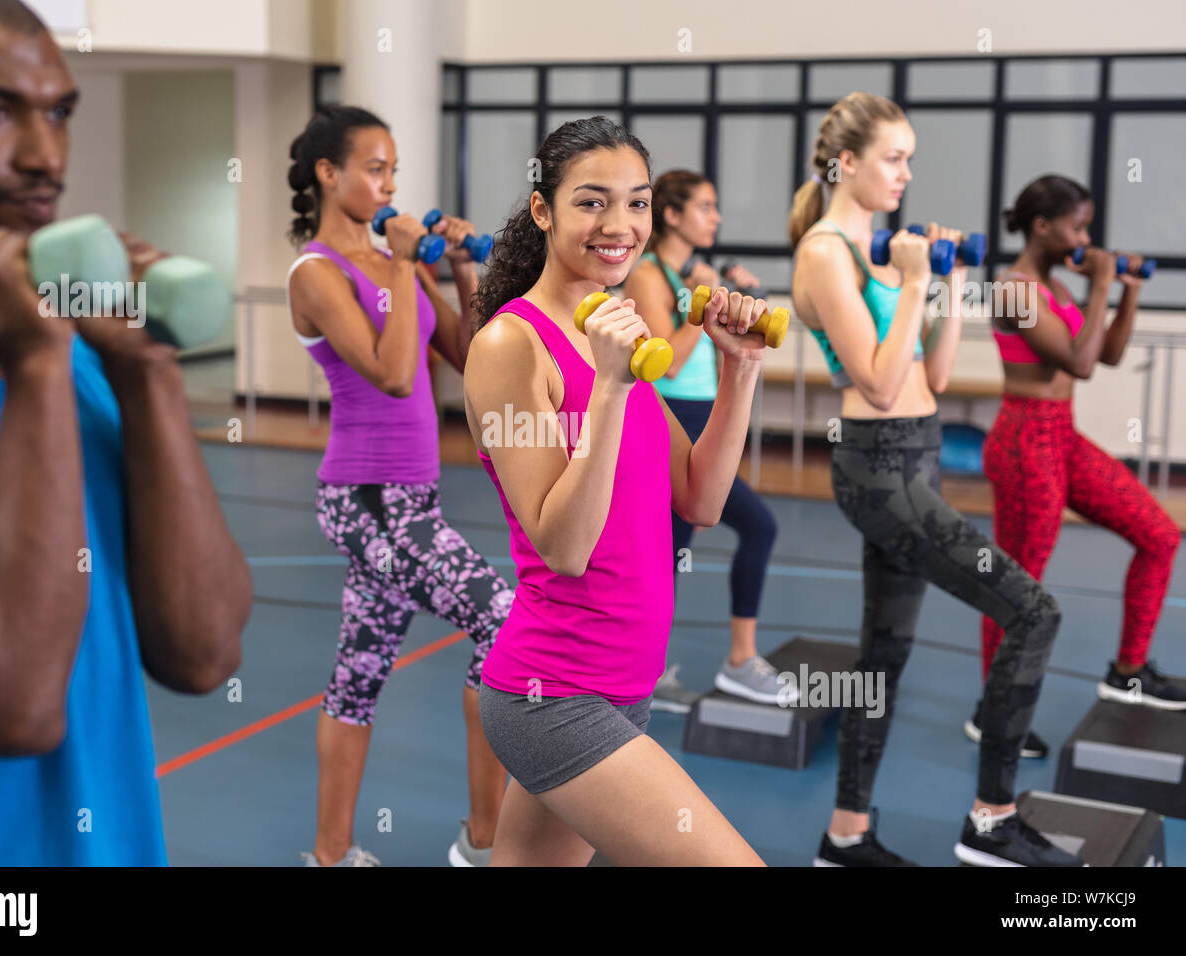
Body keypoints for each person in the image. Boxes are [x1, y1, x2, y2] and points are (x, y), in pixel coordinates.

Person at [0, 0, 251, 865]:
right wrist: (39, 367)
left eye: (58, 111)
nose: (45, 157)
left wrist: (144, 372)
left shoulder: (81, 355)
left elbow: (203, 652)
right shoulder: (37, 358)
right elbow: (9, 706)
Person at [463, 116, 768, 866]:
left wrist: (741, 370)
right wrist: (606, 385)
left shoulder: (613, 333)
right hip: (557, 692)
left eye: (636, 204)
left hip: (622, 685)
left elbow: (699, 499)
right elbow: (562, 546)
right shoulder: (513, 344)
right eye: (592, 202)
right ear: (544, 211)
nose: (619, 225)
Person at [788, 92, 1080, 867]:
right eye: (893, 157)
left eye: (910, 158)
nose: (906, 174)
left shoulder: (880, 251)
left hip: (917, 454)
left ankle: (845, 835)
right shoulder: (825, 253)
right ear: (845, 163)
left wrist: (944, 285)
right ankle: (992, 820)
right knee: (1034, 612)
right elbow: (879, 387)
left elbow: (935, 378)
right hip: (878, 468)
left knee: (882, 658)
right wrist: (914, 277)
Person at [285, 105, 514, 867]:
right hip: (367, 501)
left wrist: (457, 266)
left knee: (357, 677)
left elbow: (466, 353)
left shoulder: (397, 265)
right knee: (505, 622)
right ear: (330, 174)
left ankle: (330, 855)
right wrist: (400, 259)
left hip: (411, 499)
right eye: (375, 168)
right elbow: (388, 373)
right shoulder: (318, 273)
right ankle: (484, 843)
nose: (389, 184)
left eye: (393, 170)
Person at [967, 173, 1184, 756]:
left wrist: (1127, 290)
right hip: (1023, 444)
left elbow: (1107, 353)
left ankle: (1127, 673)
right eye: (1078, 225)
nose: (1085, 235)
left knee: (1160, 535)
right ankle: (993, 711)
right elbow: (1080, 363)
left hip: (1063, 436)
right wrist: (1103, 282)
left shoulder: (1058, 286)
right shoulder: (1012, 291)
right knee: (1019, 584)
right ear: (1043, 227)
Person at [622, 169, 788, 712]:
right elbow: (665, 364)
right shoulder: (649, 275)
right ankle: (735, 662)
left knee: (673, 555)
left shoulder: (692, 273)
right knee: (747, 529)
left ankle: (644, 675)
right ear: (672, 216)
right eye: (705, 207)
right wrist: (701, 304)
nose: (715, 217)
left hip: (706, 418)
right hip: (673, 418)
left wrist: (730, 298)